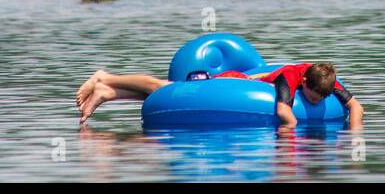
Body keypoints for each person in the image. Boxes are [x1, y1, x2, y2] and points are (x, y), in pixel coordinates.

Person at [76, 61, 363, 129]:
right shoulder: (290, 79)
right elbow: (285, 115)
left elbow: (356, 106)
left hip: (245, 86)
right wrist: (291, 136)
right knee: (167, 90)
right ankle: (105, 76)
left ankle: (107, 92)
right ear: (304, 84)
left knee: (166, 98)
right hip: (232, 84)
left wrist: (354, 134)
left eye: (320, 99)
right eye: (313, 97)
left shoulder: (327, 82)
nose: (316, 102)